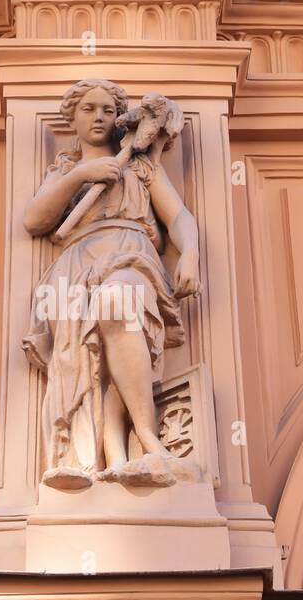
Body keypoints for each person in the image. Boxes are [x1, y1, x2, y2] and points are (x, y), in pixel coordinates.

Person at [23, 77, 201, 489]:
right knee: (86, 360)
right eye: (89, 108)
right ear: (73, 119)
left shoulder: (140, 166)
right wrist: (82, 174)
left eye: (108, 109)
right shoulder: (66, 171)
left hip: (130, 252)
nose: (99, 116)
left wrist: (189, 252)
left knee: (116, 306)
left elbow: (178, 217)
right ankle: (102, 458)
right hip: (78, 266)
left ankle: (148, 436)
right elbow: (35, 219)